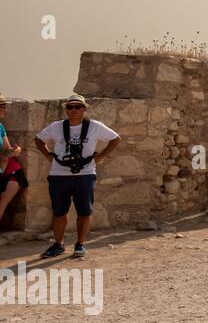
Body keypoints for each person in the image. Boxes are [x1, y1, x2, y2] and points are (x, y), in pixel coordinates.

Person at [35, 94, 120, 259]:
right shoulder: (56, 126)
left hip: (85, 174)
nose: (73, 110)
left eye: (77, 107)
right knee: (59, 212)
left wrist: (99, 158)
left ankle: (80, 244)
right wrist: (49, 156)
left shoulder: (95, 126)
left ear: (84, 109)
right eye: (70, 107)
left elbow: (115, 139)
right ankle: (58, 244)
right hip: (59, 175)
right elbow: (38, 140)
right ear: (66, 109)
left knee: (84, 211)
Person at [0, 94, 29, 223]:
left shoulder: (0, 127)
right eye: (2, 106)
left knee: (2, 203)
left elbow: (5, 151)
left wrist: (13, 151)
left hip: (2, 170)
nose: (5, 110)